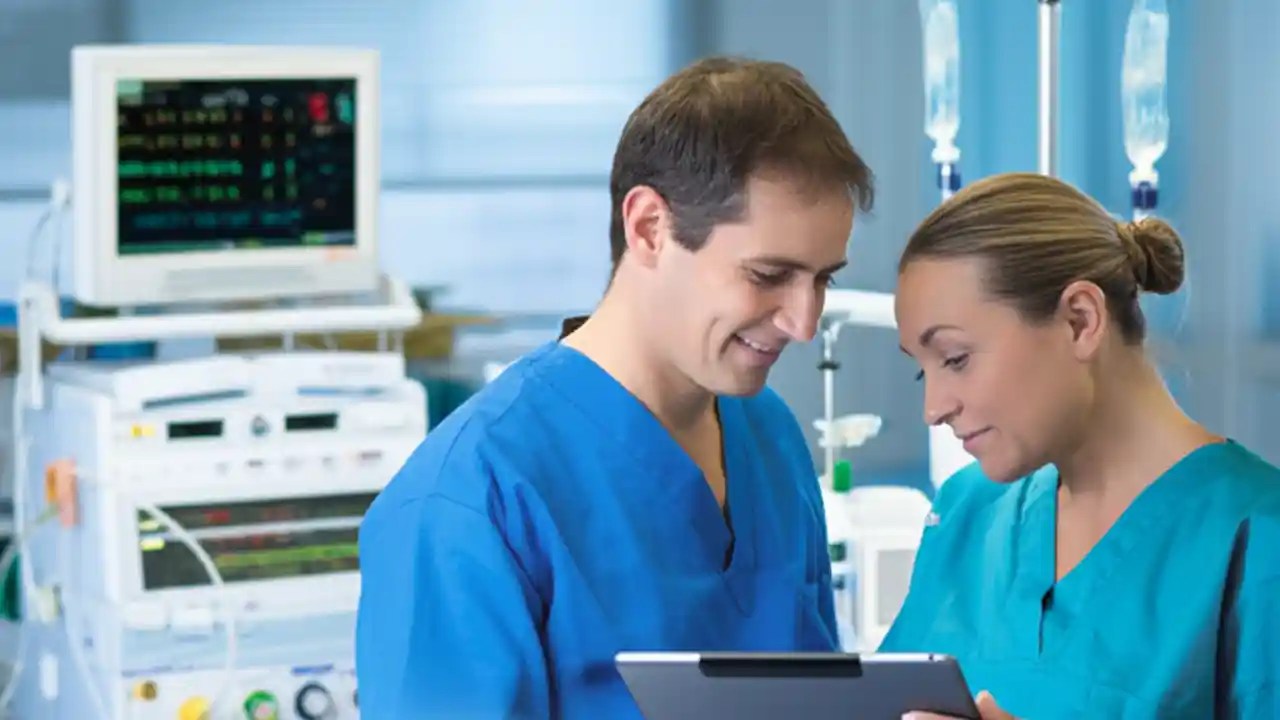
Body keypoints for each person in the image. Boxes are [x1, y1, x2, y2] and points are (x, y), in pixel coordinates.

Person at [355, 56, 875, 719]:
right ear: (650, 229)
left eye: (823, 279)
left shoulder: (768, 434)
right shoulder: (468, 499)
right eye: (768, 274)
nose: (804, 323)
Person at [884, 172, 1280, 719]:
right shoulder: (966, 512)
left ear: (1080, 321)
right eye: (920, 372)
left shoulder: (1257, 539)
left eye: (955, 358)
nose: (934, 408)